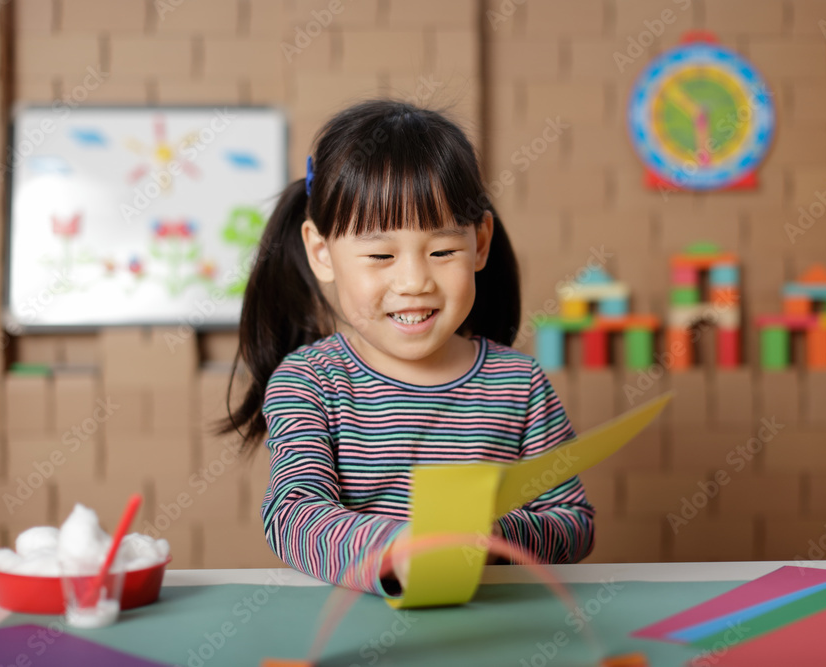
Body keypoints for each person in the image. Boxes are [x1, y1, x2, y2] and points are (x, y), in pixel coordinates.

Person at [222, 99, 594, 597]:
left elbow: (573, 523)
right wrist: (398, 549)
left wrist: (494, 538)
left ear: (479, 243)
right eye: (380, 254)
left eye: (443, 252)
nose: (415, 281)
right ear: (321, 252)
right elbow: (294, 514)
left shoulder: (519, 384)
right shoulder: (309, 381)